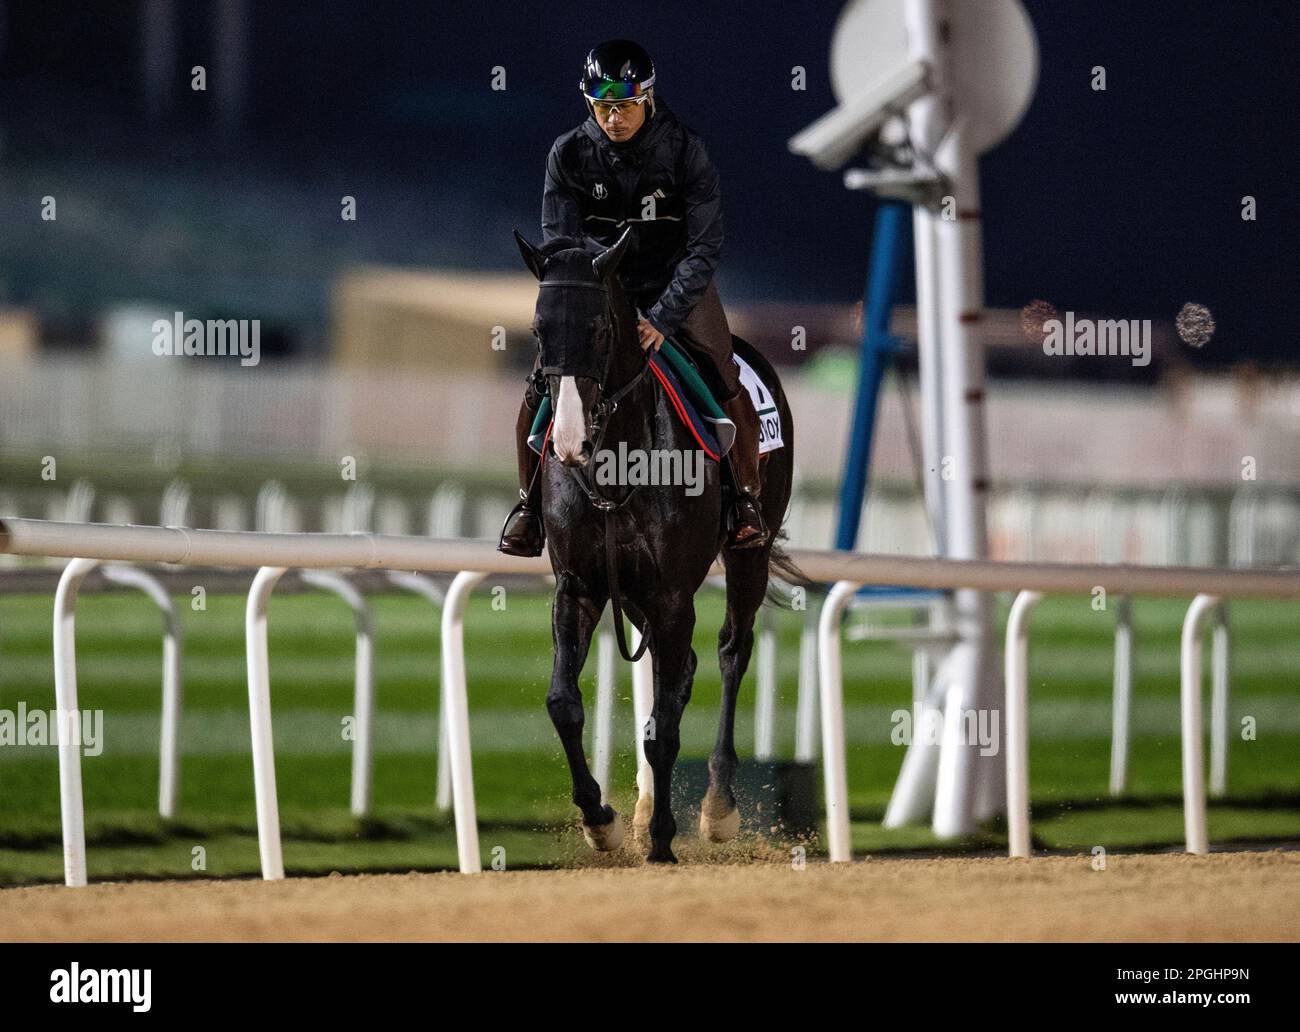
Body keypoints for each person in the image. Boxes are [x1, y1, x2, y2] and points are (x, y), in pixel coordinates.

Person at [498, 38, 769, 557]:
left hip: (676, 285)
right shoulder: (568, 154)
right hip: (603, 290)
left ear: (646, 98)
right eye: (602, 106)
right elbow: (560, 245)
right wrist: (601, 305)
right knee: (541, 383)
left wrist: (663, 318)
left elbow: (705, 245)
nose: (613, 118)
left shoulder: (688, 150)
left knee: (720, 369)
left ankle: (744, 499)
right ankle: (529, 508)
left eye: (623, 106)